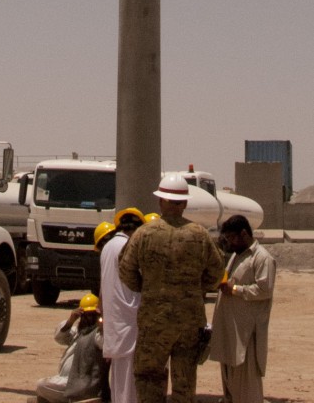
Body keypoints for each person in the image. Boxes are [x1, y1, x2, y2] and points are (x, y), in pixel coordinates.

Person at [118, 172, 225, 403]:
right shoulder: (200, 235)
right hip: (189, 321)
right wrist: (196, 290)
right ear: (185, 203)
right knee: (184, 382)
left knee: (149, 378)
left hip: (154, 319)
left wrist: (145, 287)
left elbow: (125, 269)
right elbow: (217, 273)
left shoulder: (143, 233)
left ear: (160, 201)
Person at [209, 214, 276, 403]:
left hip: (246, 337)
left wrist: (236, 289)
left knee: (247, 393)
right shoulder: (237, 256)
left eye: (231, 237)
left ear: (244, 234)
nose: (229, 242)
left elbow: (264, 290)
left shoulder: (262, 258)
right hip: (230, 335)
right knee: (231, 392)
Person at [99, 209, 144, 403]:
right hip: (130, 323)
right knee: (131, 387)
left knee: (119, 384)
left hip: (115, 326)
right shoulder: (129, 246)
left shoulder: (108, 246)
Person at [35, 292, 106, 403]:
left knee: (41, 386)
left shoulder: (97, 335)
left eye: (92, 315)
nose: (89, 318)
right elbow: (59, 337)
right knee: (42, 385)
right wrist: (71, 320)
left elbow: (104, 343)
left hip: (83, 383)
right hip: (65, 380)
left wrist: (103, 325)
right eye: (86, 315)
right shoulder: (78, 333)